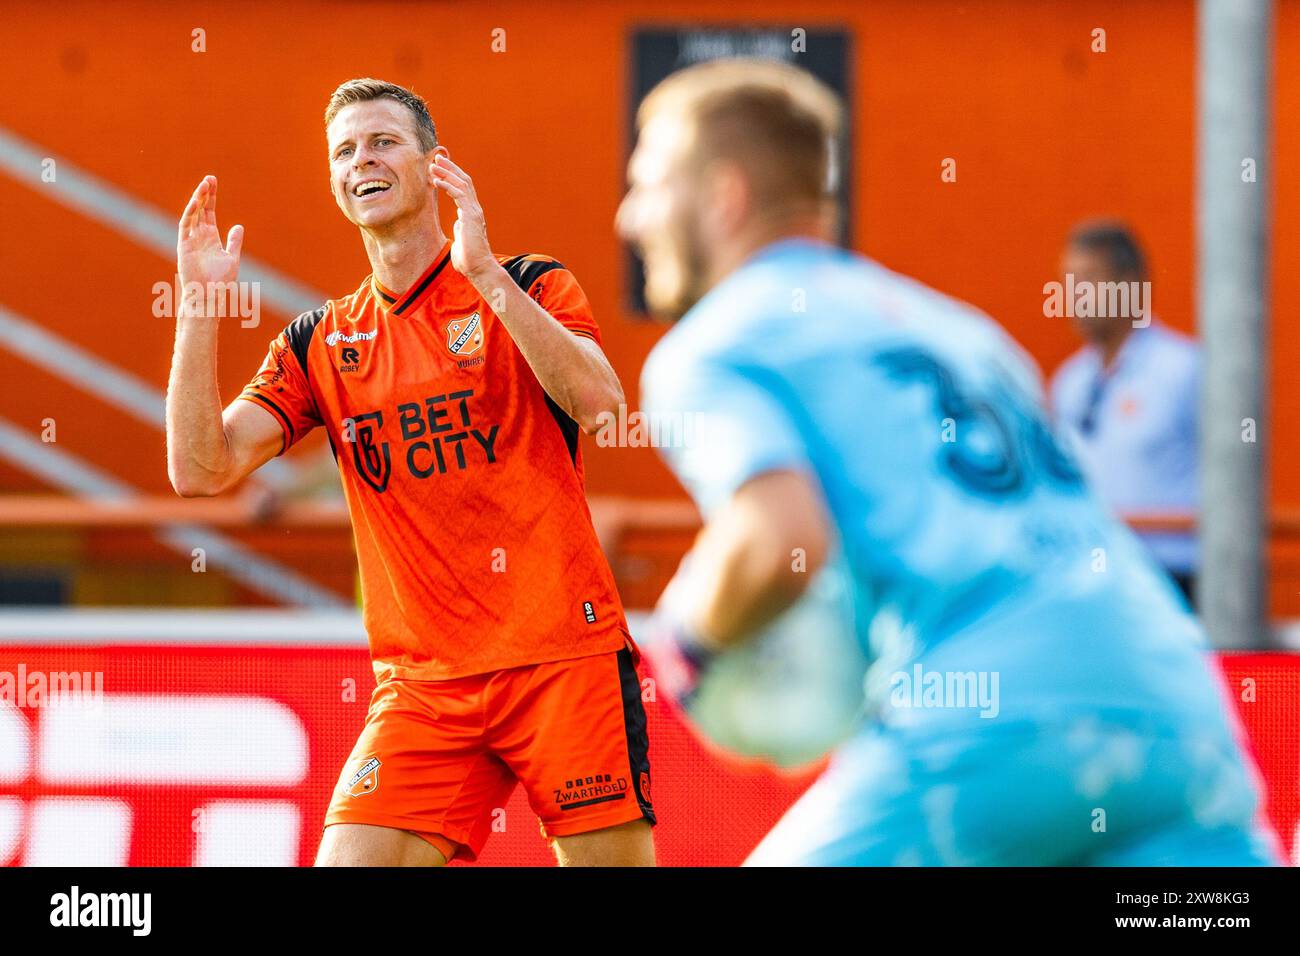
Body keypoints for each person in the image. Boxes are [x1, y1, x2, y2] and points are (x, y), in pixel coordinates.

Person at [622, 58, 1277, 865]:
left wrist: (690, 641)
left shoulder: (720, 341)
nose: (629, 216)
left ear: (725, 195)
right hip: (1175, 706)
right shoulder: (963, 330)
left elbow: (775, 542)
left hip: (994, 714)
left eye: (647, 182)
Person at [166, 78, 654, 867]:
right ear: (335, 183)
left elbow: (601, 403)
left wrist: (486, 274)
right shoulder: (319, 342)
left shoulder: (528, 281)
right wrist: (196, 308)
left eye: (384, 141)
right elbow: (199, 469)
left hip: (563, 659)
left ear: (436, 165)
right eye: (345, 151)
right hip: (423, 688)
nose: (364, 159)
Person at [1050, 221, 1201, 605]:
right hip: (1092, 582)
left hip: (1172, 582)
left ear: (1128, 285)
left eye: (1088, 280)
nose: (1074, 295)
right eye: (1068, 281)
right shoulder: (1069, 383)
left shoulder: (1184, 370)